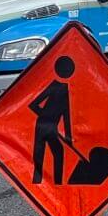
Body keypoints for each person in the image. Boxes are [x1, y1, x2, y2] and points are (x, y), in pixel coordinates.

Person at [29, 56, 75, 185]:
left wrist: (68, 137)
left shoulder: (67, 92)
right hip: (42, 125)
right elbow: (33, 104)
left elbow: (67, 117)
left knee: (58, 152)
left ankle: (58, 183)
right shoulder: (54, 86)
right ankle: (37, 181)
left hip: (51, 128)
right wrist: (45, 116)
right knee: (39, 153)